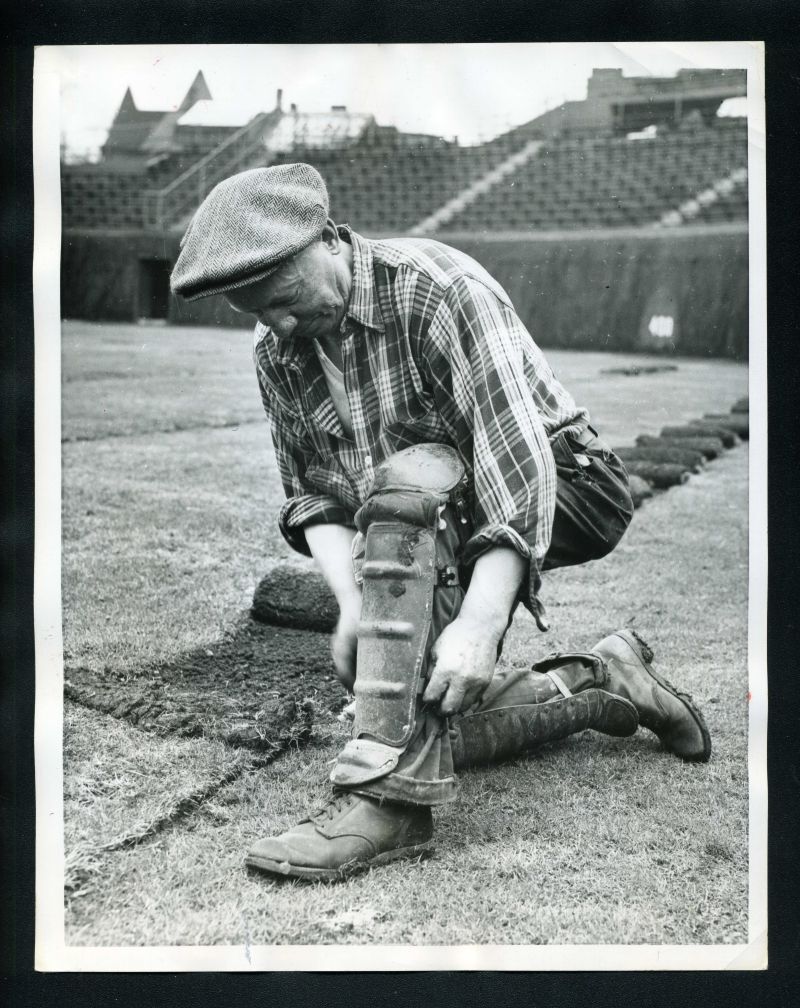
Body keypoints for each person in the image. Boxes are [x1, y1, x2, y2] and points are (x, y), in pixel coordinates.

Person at [170, 163, 710, 882]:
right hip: (432, 515)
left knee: (411, 528)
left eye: (287, 298)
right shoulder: (279, 352)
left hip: (568, 480)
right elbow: (315, 497)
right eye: (260, 313)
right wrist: (358, 609)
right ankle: (602, 682)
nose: (282, 325)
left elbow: (514, 464)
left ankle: (390, 805)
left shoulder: (438, 290)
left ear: (328, 238)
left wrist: (480, 623)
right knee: (423, 710)